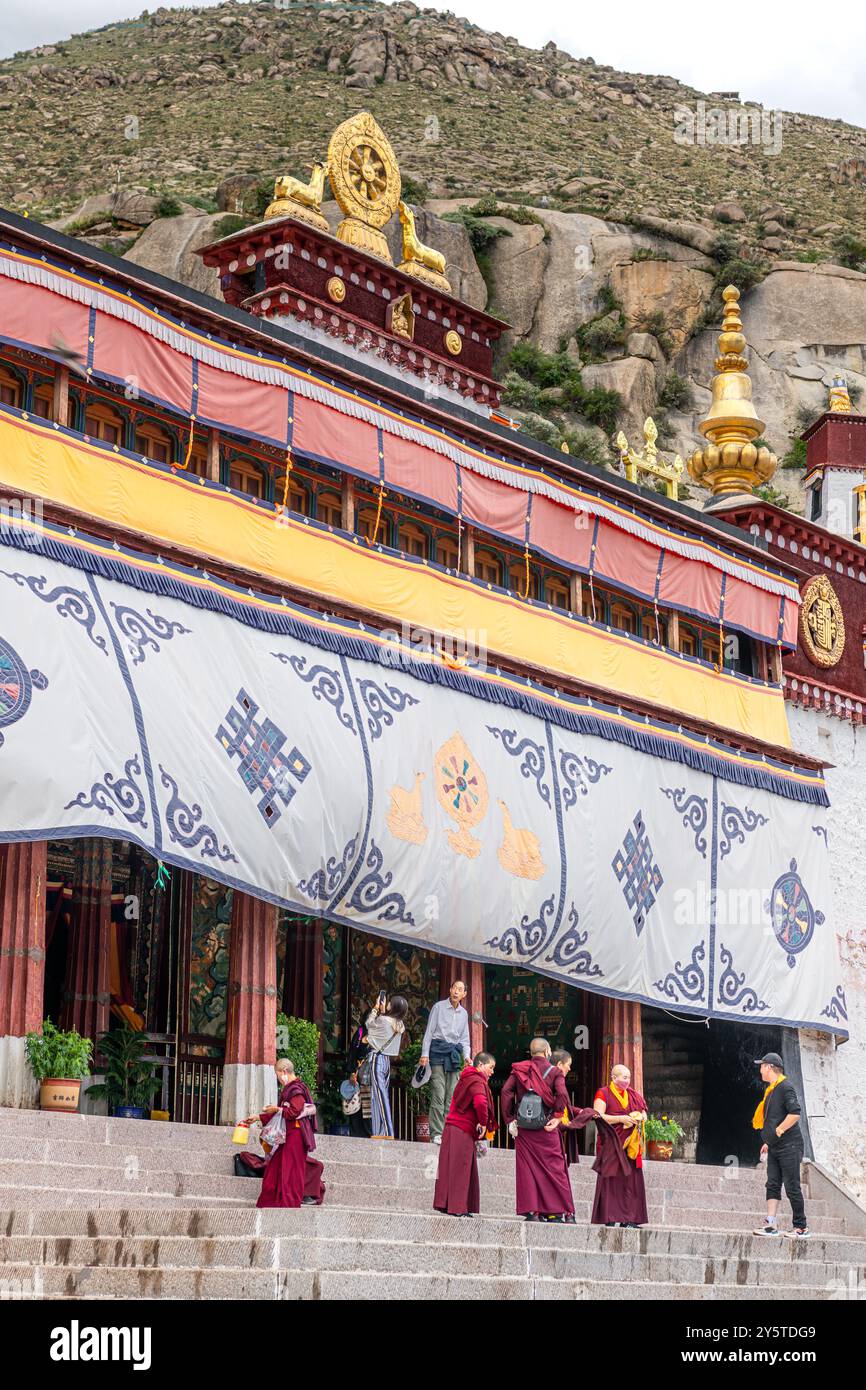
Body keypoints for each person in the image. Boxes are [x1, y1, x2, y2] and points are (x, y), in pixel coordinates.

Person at [500, 1036, 575, 1223]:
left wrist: (510, 1119)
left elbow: (506, 1092)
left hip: (525, 1128)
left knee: (528, 1169)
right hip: (546, 1126)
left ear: (531, 1053)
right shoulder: (555, 1072)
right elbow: (563, 1094)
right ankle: (557, 1212)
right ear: (547, 1051)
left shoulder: (519, 1069)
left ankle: (533, 1212)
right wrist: (558, 1116)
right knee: (555, 1168)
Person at [253, 1058, 326, 1210]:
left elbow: (293, 1112)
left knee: (292, 1171)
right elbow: (280, 1115)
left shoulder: (296, 1090)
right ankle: (271, 1202)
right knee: (274, 1168)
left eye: (278, 1074)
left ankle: (290, 1204)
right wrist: (257, 1117)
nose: (279, 1079)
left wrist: (276, 1109)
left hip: (296, 1135)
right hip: (286, 1135)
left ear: (284, 1071)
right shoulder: (289, 1089)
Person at [751, 1051, 809, 1239]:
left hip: (790, 1145)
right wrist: (768, 1141)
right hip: (775, 1146)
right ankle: (771, 1225)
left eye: (762, 1066)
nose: (760, 1070)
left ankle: (801, 1227)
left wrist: (778, 1131)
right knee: (772, 1184)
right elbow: (773, 1118)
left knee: (792, 1185)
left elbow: (795, 1114)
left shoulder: (785, 1087)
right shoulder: (771, 1090)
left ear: (769, 1067)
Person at [433, 1051, 497, 1217]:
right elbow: (480, 1102)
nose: (492, 1072)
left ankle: (450, 1205)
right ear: (480, 1065)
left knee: (454, 1168)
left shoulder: (467, 1077)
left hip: (454, 1128)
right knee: (460, 1168)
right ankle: (457, 1208)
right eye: (490, 1067)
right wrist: (483, 1122)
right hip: (461, 1129)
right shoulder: (476, 1079)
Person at [591, 1063, 649, 1228]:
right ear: (613, 1078)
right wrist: (621, 1119)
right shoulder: (603, 1093)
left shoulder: (633, 1095)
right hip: (611, 1143)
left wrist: (639, 1117)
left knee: (631, 1181)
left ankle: (629, 1219)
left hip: (630, 1143)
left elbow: (644, 1113)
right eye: (623, 1077)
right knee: (610, 1180)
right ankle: (609, 1217)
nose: (627, 1080)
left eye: (628, 1077)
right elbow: (598, 1115)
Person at [420, 979, 472, 1144]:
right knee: (438, 1093)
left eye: (460, 989)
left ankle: (447, 1133)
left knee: (451, 1097)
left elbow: (465, 1040)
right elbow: (429, 1032)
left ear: (464, 994)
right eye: (454, 988)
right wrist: (424, 1054)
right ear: (450, 990)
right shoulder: (438, 1007)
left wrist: (467, 1056)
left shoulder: (464, 1014)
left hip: (454, 1056)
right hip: (437, 1052)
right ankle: (436, 1133)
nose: (456, 991)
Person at [364, 993, 408, 1139]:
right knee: (378, 1095)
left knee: (380, 1096)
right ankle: (378, 1132)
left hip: (377, 1059)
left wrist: (376, 1009)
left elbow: (369, 1025)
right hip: (387, 1062)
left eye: (390, 1002)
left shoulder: (383, 1020)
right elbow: (384, 1031)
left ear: (393, 1006)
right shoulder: (400, 1024)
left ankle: (388, 1132)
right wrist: (383, 1012)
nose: (387, 1003)